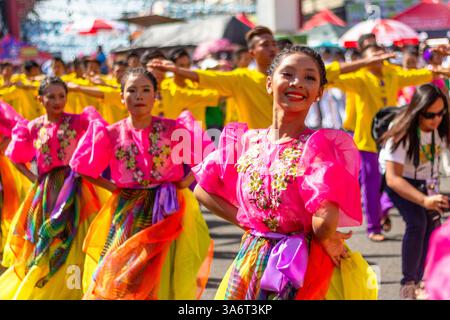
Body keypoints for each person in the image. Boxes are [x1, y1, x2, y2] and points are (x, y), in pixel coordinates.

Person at [192, 46, 376, 300]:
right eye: (288, 74)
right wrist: (249, 222)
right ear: (269, 83)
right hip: (254, 259)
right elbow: (202, 189)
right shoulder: (245, 142)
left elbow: (324, 224)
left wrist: (325, 234)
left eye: (309, 77)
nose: (298, 83)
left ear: (319, 93)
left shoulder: (319, 147)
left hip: (303, 266)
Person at [69, 68, 214, 300]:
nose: (139, 96)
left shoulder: (173, 128)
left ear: (156, 95)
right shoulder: (111, 133)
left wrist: (184, 183)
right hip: (128, 207)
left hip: (167, 207)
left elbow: (206, 155)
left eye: (146, 90)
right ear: (121, 97)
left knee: (162, 269)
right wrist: (113, 188)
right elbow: (83, 167)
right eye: (132, 90)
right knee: (120, 267)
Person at [150, 26, 397, 130]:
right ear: (251, 53)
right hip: (257, 147)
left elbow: (332, 71)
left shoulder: (293, 75)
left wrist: (367, 61)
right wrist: (175, 70)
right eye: (264, 44)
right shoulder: (239, 79)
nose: (271, 48)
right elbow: (204, 77)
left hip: (293, 141)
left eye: (273, 43)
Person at [328, 44, 447, 242]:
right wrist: (363, 64)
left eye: (380, 54)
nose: (379, 58)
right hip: (367, 143)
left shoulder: (393, 74)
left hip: (391, 140)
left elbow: (420, 76)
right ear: (364, 59)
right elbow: (329, 78)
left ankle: (382, 210)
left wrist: (438, 69)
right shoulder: (359, 77)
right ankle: (373, 227)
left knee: (393, 183)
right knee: (371, 187)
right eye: (373, 55)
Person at [0, 77, 106, 299]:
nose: (58, 101)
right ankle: (47, 287)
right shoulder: (33, 126)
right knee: (48, 238)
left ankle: (76, 289)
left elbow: (99, 140)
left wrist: (85, 167)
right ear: (40, 99)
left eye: (62, 96)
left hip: (78, 187)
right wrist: (34, 178)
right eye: (51, 96)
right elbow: (15, 156)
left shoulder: (78, 121)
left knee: (79, 239)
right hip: (49, 190)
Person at [379, 83, 450, 299]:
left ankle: (424, 280)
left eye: (441, 113)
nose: (436, 119)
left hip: (427, 181)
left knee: (433, 227)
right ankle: (408, 283)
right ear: (418, 111)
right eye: (430, 115)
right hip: (401, 181)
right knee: (417, 223)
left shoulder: (441, 126)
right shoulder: (400, 132)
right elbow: (393, 178)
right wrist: (424, 200)